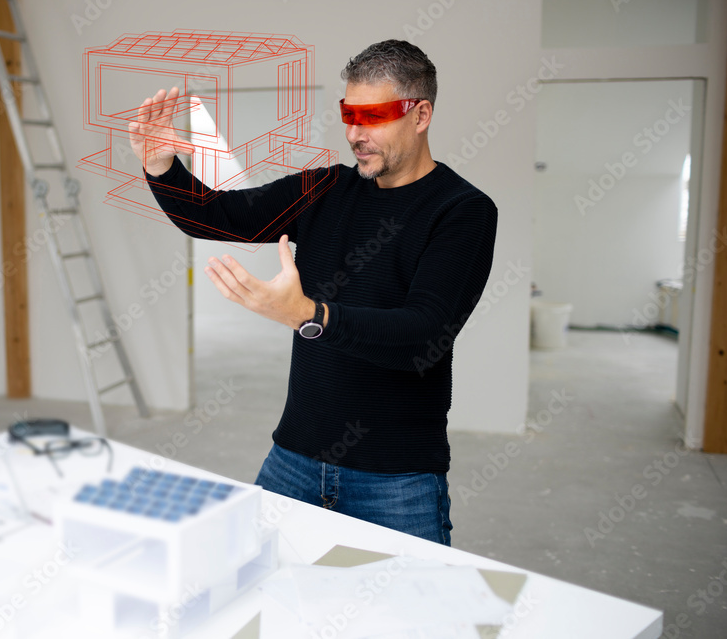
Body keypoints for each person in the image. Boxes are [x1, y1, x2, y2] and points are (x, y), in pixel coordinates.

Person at [128, 40, 497, 546]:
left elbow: (422, 335)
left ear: (421, 114)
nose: (354, 133)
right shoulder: (323, 190)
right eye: (349, 114)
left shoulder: (463, 211)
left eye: (374, 116)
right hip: (294, 461)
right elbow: (215, 215)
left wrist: (309, 314)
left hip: (397, 478)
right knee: (260, 595)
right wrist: (161, 168)